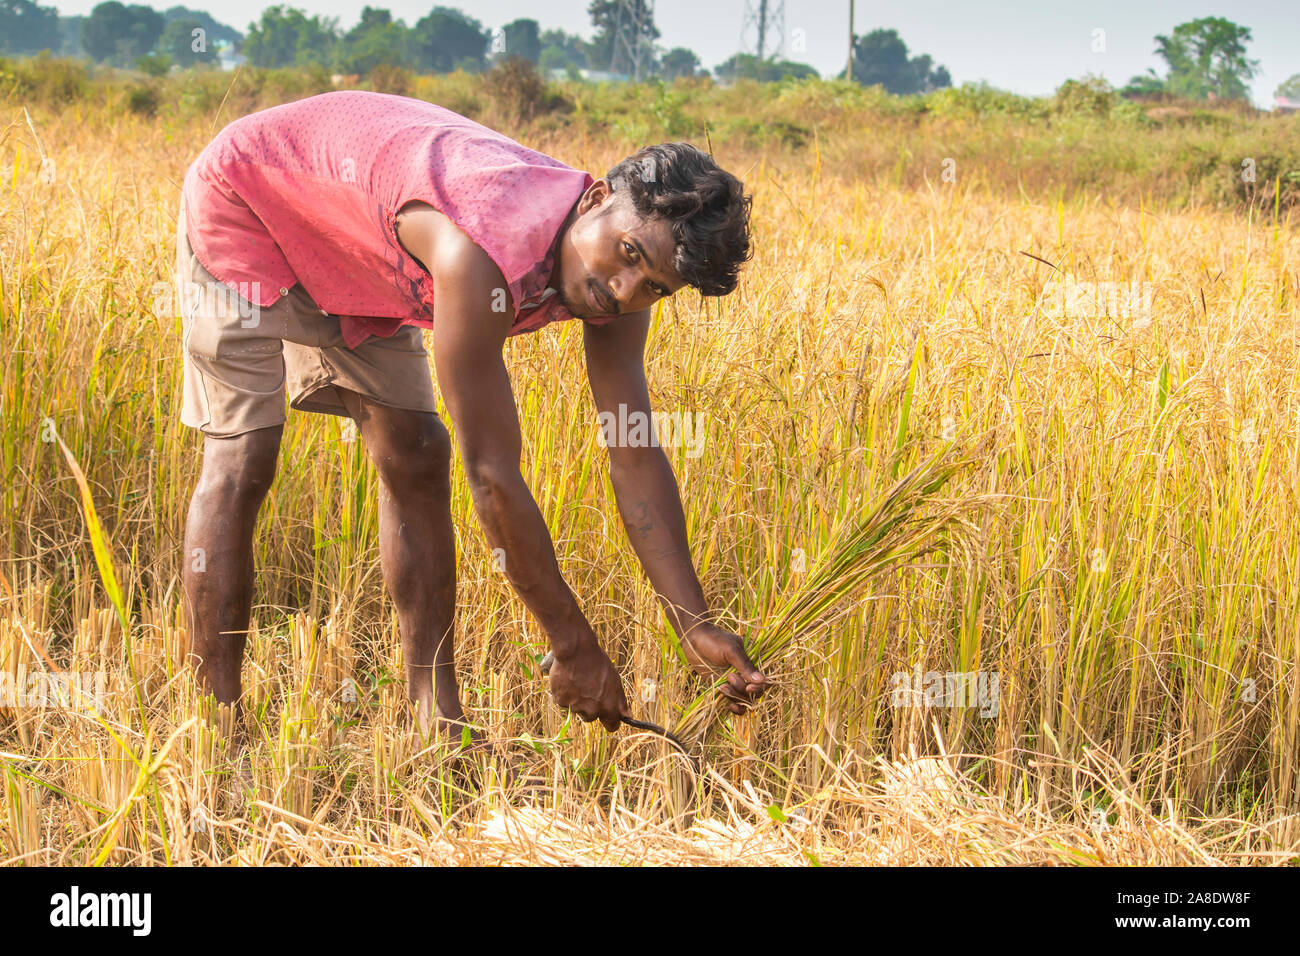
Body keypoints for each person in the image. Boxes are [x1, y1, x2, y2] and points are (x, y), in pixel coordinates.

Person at [176, 89, 768, 742]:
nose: (625, 291)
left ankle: (437, 719)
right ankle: (216, 724)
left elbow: (631, 449)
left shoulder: (619, 291)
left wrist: (694, 622)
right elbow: (490, 475)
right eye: (628, 255)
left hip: (365, 244)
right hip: (254, 196)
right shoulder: (478, 249)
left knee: (416, 452)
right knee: (244, 457)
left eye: (654, 285)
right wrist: (571, 645)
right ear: (596, 199)